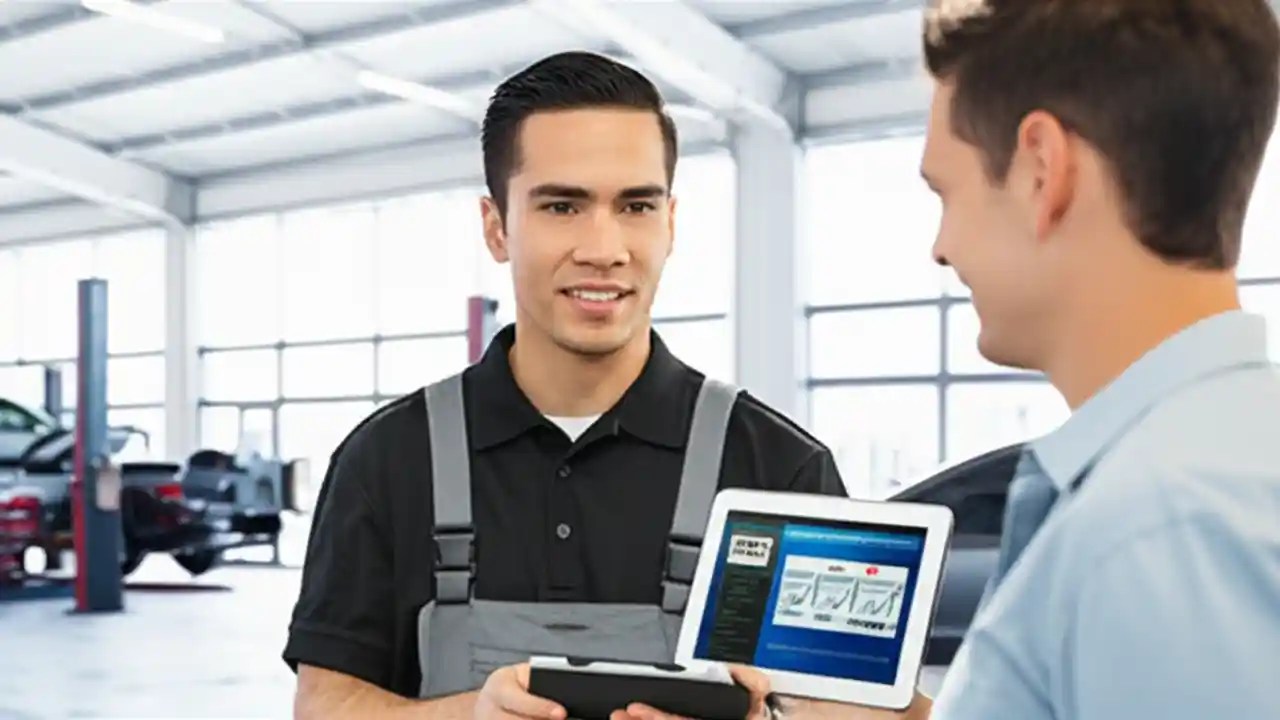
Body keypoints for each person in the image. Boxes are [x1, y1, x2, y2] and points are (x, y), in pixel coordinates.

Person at [675, 2, 1279, 720]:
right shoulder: (1216, 463)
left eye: (946, 192)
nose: (942, 247)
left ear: (1041, 170)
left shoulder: (1158, 529)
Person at [284, 50, 847, 718]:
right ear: (497, 228)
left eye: (636, 205)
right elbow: (324, 706)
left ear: (670, 223)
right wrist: (469, 715)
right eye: (562, 206)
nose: (603, 249)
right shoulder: (386, 462)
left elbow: (845, 712)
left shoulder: (779, 472)